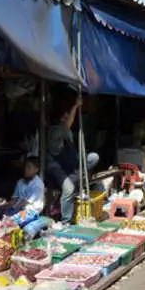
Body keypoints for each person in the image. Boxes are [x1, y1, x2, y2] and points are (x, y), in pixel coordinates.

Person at [47, 90, 100, 223]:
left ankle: (80, 175)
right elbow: (67, 124)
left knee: (93, 157)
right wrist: (76, 106)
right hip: (57, 166)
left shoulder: (66, 129)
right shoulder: (56, 130)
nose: (68, 117)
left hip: (71, 163)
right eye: (65, 116)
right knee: (69, 189)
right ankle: (66, 221)